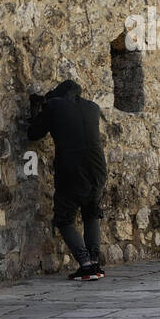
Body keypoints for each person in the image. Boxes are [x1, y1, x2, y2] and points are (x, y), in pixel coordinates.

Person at [27, 79, 107, 281]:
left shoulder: (54, 106)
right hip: (98, 169)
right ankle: (95, 263)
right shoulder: (93, 108)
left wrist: (37, 110)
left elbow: (34, 134)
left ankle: (86, 265)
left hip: (72, 170)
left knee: (65, 219)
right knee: (91, 214)